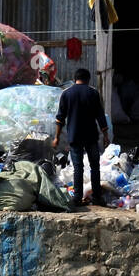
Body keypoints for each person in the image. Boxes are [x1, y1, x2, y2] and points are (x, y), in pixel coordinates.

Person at [52, 68, 110, 206]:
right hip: (91, 136)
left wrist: (57, 138)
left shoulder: (66, 94)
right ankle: (97, 197)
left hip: (75, 136)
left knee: (78, 167)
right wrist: (106, 136)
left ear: (75, 78)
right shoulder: (93, 93)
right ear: (88, 79)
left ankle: (77, 197)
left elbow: (60, 119)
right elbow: (100, 117)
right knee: (94, 166)